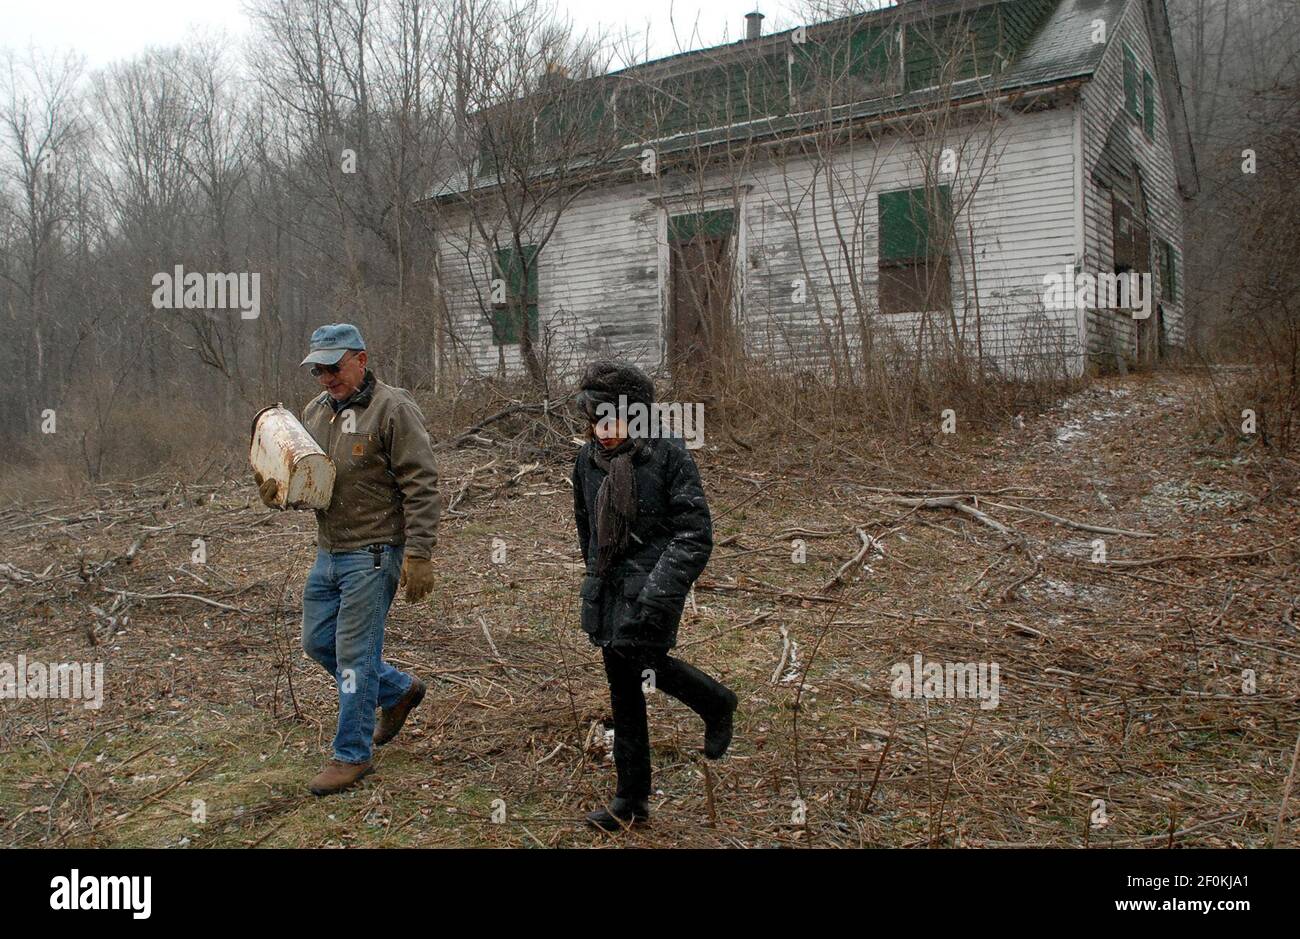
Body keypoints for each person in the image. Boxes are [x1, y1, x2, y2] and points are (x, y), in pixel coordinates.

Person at [253, 323, 440, 796]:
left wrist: (419, 553)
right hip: (329, 550)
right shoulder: (315, 412)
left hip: (375, 553)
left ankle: (351, 755)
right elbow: (310, 475)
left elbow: (421, 483)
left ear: (361, 358)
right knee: (318, 643)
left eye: (334, 367)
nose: (326, 378)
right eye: (318, 369)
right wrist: (280, 486)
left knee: (356, 655)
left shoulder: (392, 409)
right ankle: (397, 691)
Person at [571, 361, 738, 831]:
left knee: (641, 664)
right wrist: (596, 582)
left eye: (612, 420)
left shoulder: (668, 456)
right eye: (594, 421)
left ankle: (715, 703)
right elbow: (586, 528)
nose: (602, 431)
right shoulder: (586, 461)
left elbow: (694, 534)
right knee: (624, 687)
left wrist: (657, 589)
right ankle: (632, 800)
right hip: (608, 585)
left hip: (654, 585)